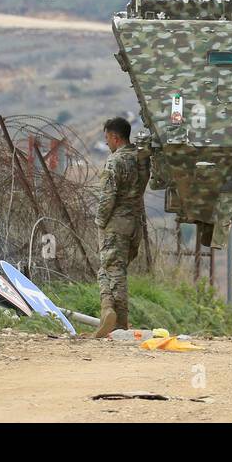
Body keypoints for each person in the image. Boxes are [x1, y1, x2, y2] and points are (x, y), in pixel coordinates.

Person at [94, 116, 151, 338]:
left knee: (114, 271)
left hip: (115, 223)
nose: (107, 142)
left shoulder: (115, 161)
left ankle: (119, 321)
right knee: (107, 268)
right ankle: (107, 309)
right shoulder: (141, 159)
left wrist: (100, 221)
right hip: (135, 223)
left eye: (107, 138)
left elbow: (107, 197)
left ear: (115, 137)